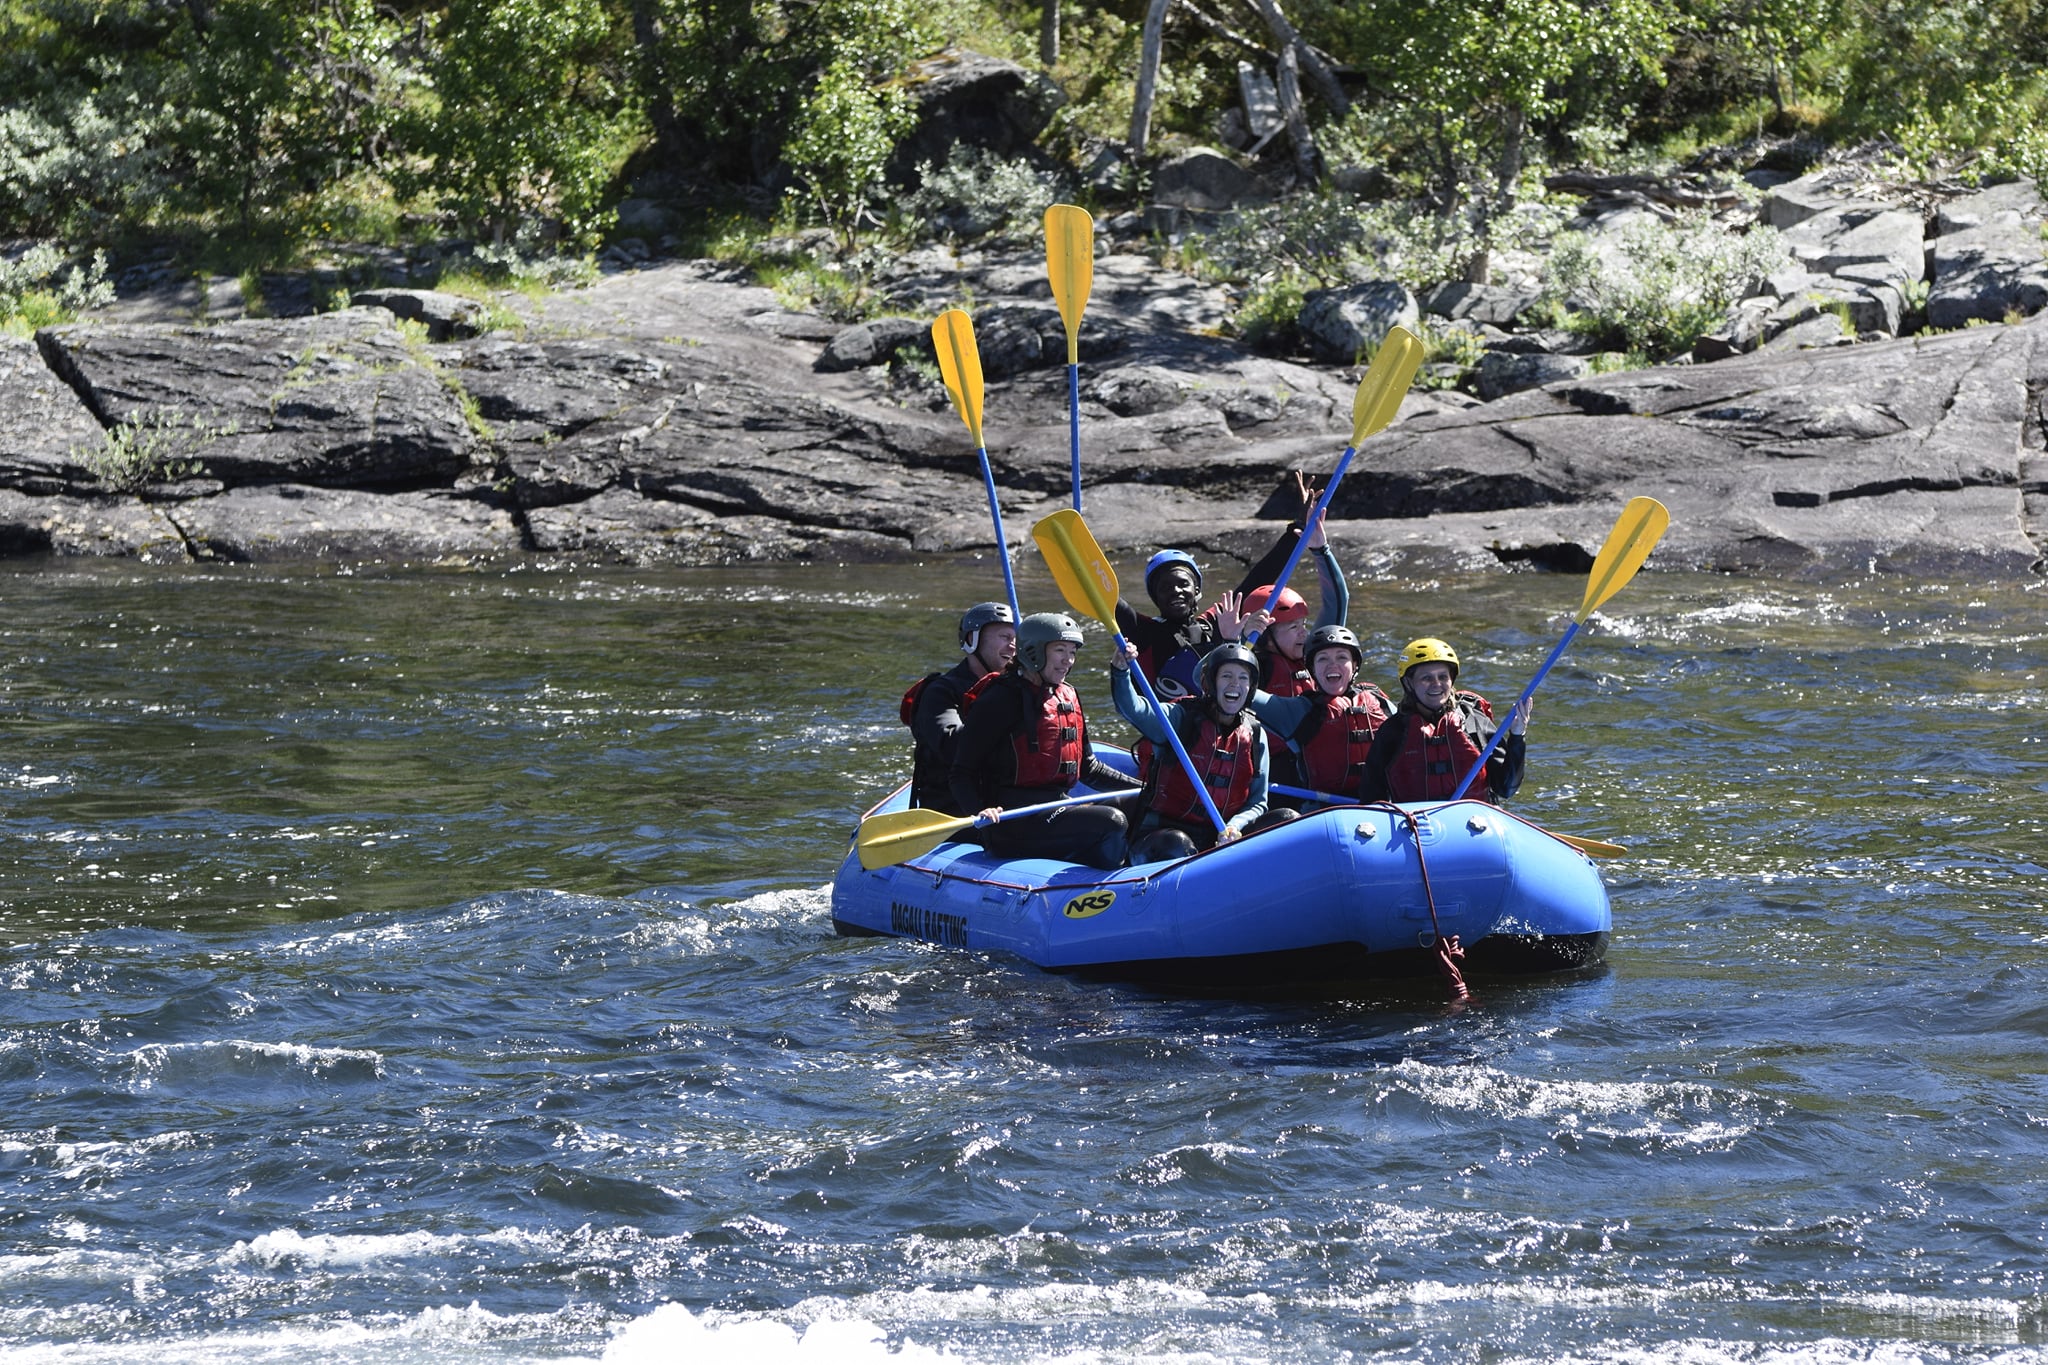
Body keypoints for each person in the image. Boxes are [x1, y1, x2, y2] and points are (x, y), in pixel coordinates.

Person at [948, 612, 1139, 869]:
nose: (1067, 661)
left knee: (1142, 802)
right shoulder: (1000, 699)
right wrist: (980, 812)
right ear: (1033, 651)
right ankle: (1112, 884)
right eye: (1060, 650)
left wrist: (1145, 786)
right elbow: (961, 772)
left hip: (1055, 808)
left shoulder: (1067, 694)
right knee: (1112, 821)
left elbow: (1088, 769)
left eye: (1072, 652)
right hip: (1012, 823)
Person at [1110, 642, 1297, 863]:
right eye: (1226, 676)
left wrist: (1233, 828)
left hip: (1223, 836)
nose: (1235, 684)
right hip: (1163, 834)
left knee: (1287, 820)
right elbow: (1133, 708)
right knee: (1176, 844)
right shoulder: (1180, 718)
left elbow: (1257, 803)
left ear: (1251, 687)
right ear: (1211, 682)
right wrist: (1121, 671)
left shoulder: (1255, 734)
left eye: (1243, 678)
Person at [1358, 638, 1531, 805]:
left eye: (1443, 677)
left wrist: (1517, 735)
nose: (1436, 684)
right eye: (1426, 678)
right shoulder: (1392, 732)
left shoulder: (1474, 722)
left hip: (1473, 824)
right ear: (1409, 683)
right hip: (1414, 825)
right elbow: (1372, 798)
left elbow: (1506, 788)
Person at [1247, 624, 1392, 807]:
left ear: (1355, 665)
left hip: (1380, 807)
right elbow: (1219, 682)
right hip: (1322, 813)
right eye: (1323, 659)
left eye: (1342, 657)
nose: (1333, 664)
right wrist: (1232, 643)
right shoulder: (1299, 711)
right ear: (1313, 669)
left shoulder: (1379, 701)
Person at [904, 601, 1015, 813]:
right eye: (1005, 637)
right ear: (973, 640)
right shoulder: (941, 692)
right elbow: (952, 746)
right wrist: (998, 716)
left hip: (1005, 801)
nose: (1013, 645)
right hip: (954, 809)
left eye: (1017, 638)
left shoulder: (1019, 688)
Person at [1239, 509, 1347, 702]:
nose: (1304, 634)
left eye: (1303, 625)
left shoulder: (1313, 656)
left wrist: (1321, 550)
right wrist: (1243, 639)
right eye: (1293, 627)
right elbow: (1208, 676)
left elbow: (1337, 603)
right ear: (1265, 636)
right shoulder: (1247, 669)